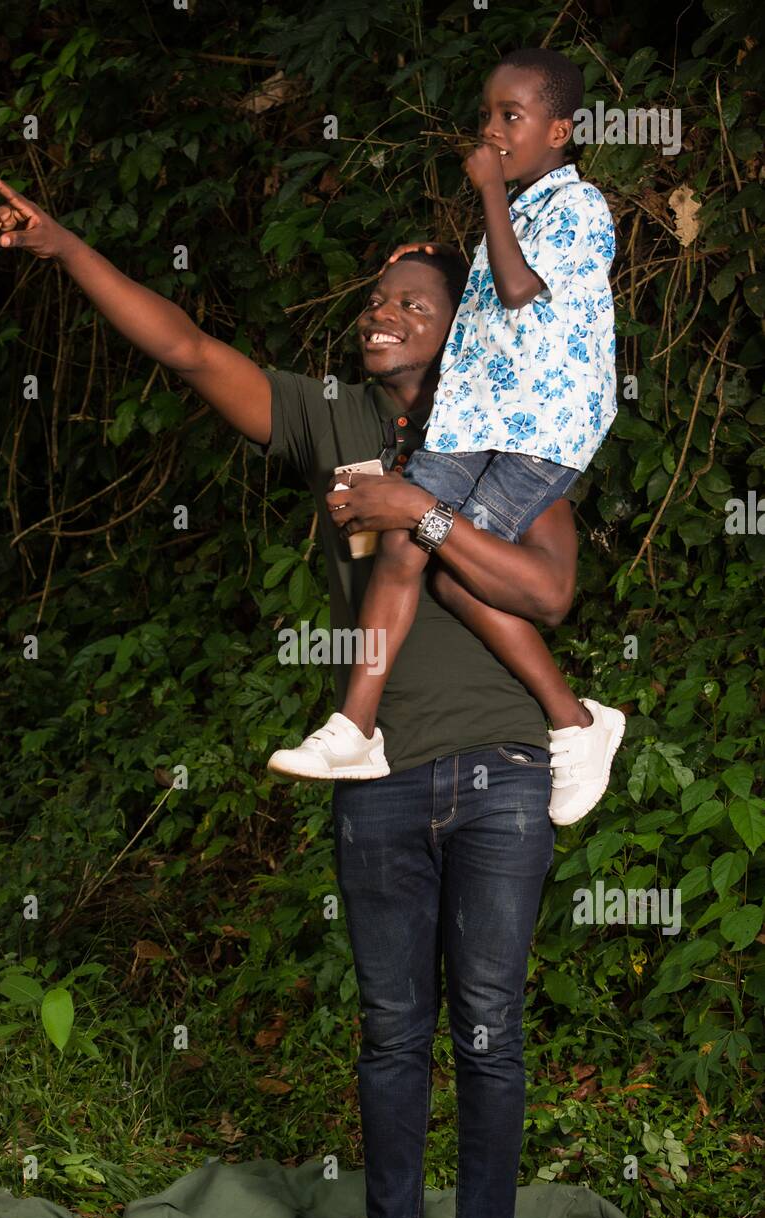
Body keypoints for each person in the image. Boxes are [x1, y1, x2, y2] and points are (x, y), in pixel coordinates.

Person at [0, 154, 582, 1218]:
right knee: (394, 1028)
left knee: (489, 1030)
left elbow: (548, 596)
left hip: (502, 763)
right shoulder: (335, 415)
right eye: (377, 298)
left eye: (414, 301)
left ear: (461, 331)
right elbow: (187, 350)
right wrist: (63, 245)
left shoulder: (513, 424)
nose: (384, 312)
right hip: (378, 772)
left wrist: (423, 512)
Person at [267, 47, 625, 828]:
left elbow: (519, 290)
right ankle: (355, 730)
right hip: (476, 416)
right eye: (486, 116)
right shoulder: (518, 207)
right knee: (404, 551)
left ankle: (576, 723)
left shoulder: (578, 207)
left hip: (540, 429)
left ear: (559, 130)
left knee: (455, 574)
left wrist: (491, 193)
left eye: (512, 117)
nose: (492, 130)